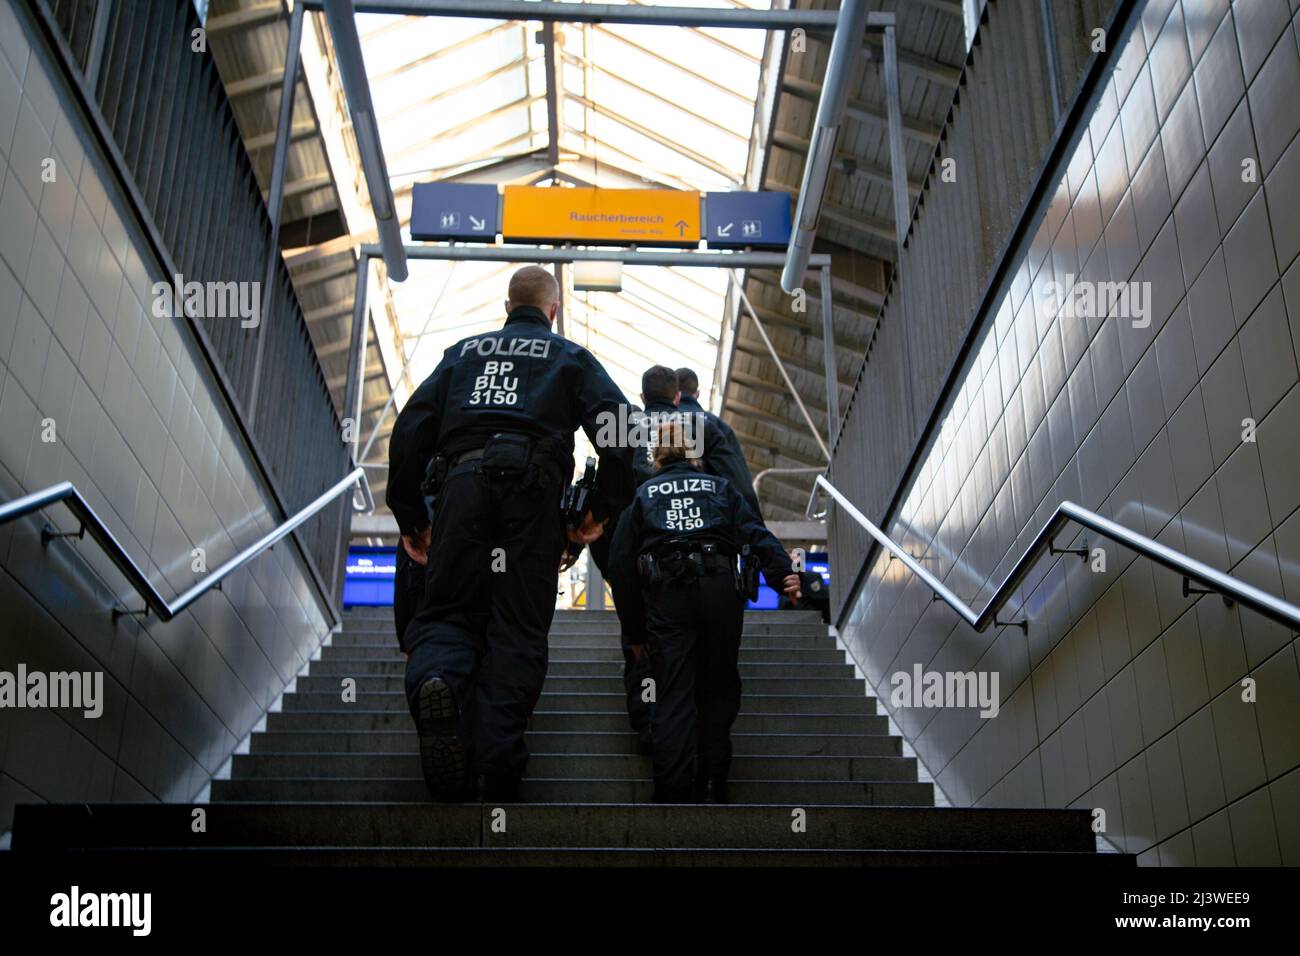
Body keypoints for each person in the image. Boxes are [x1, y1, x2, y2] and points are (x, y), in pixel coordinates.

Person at [386, 265, 635, 802]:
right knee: (517, 630)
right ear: (553, 311)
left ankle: (441, 682)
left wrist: (412, 515)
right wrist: (598, 510)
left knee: (450, 613)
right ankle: (496, 763)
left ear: (506, 308)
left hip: (461, 495)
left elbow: (410, 429)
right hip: (532, 501)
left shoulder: (462, 355)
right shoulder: (569, 357)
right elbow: (622, 430)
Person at [609, 421, 801, 804]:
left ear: (656, 457)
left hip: (667, 596)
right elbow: (754, 532)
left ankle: (673, 792)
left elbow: (620, 563)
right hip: (719, 589)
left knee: (674, 694)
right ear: (693, 453)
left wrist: (635, 632)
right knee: (717, 688)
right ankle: (713, 785)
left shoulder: (644, 495)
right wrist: (784, 575)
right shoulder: (720, 487)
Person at [673, 366, 760, 514]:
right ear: (697, 394)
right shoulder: (716, 425)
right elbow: (737, 479)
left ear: (673, 393)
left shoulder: (654, 423)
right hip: (707, 515)